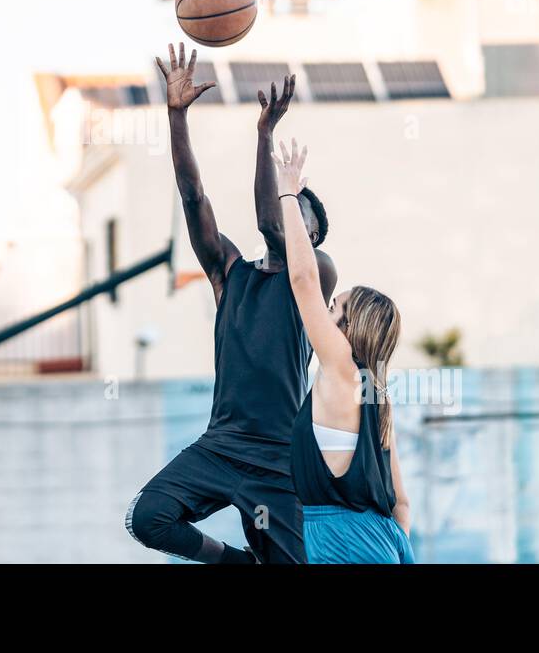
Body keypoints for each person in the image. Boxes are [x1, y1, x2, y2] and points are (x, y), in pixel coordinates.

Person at [124, 44, 336, 564]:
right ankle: (236, 562)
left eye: (300, 214)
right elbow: (193, 195)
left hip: (279, 459)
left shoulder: (315, 275)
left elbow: (270, 222)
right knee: (147, 517)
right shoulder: (230, 273)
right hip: (222, 448)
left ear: (311, 235)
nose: (290, 216)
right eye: (291, 203)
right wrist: (176, 116)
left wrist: (263, 136)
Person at [273, 137, 415, 563]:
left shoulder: (341, 367)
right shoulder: (379, 401)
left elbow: (303, 280)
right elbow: (401, 506)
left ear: (349, 329)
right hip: (382, 547)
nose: (325, 309)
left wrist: (288, 191)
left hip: (349, 548)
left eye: (334, 307)